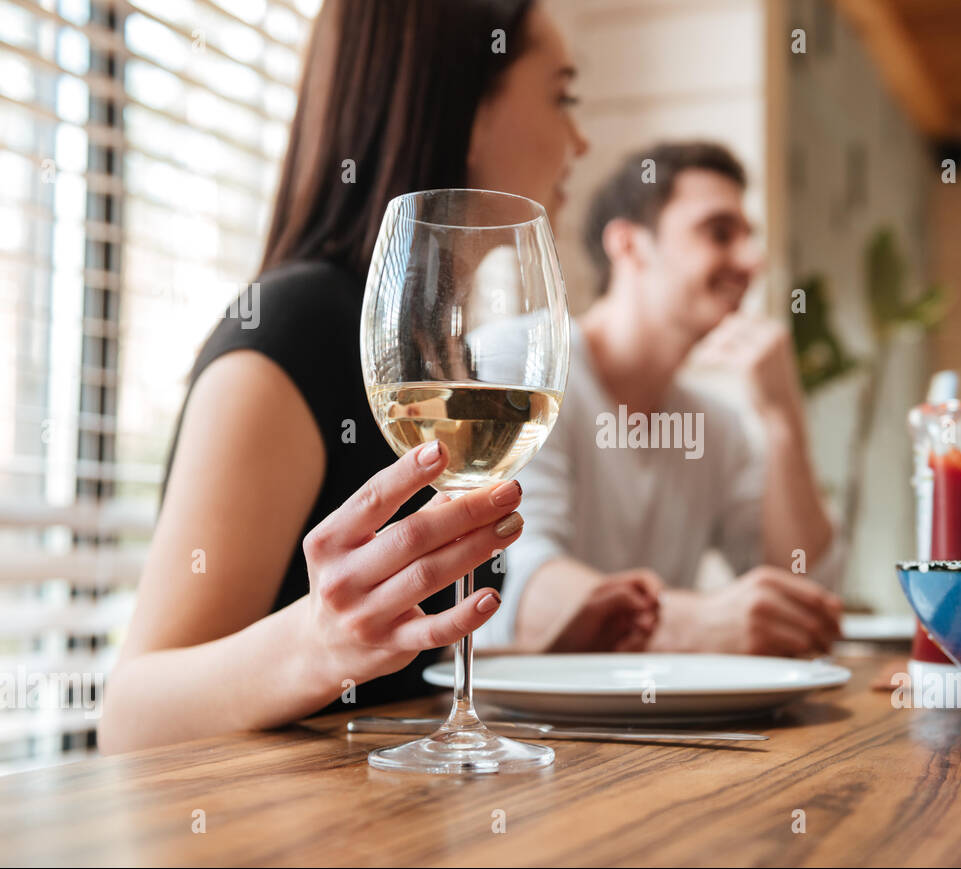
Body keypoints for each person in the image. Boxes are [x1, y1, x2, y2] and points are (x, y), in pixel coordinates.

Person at [99, 0, 655, 754]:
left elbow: (389, 697)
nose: (580, 139)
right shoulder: (294, 327)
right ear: (464, 105)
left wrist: (544, 657)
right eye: (561, 95)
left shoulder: (439, 357)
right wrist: (317, 642)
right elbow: (130, 715)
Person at [488, 142, 845, 657]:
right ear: (629, 245)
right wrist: (694, 625)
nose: (752, 261)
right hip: (510, 729)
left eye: (749, 238)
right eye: (719, 232)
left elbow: (805, 585)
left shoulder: (715, 425)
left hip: (655, 728)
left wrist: (784, 419)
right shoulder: (520, 365)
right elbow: (517, 587)